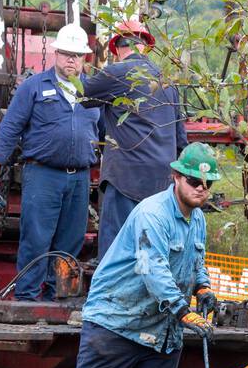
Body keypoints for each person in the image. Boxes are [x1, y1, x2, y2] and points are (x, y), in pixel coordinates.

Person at [60, 143, 223, 368]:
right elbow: (152, 269)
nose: (201, 188)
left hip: (162, 334)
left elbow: (197, 260)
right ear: (177, 177)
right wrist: (183, 312)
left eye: (207, 183)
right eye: (194, 180)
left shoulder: (198, 219)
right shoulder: (153, 214)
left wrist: (203, 287)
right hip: (118, 323)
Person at [0, 23, 100, 300]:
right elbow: (10, 127)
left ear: (85, 59)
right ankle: (27, 298)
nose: (72, 59)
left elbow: (104, 131)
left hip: (79, 178)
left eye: (77, 55)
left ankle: (59, 299)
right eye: (67, 53)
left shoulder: (93, 92)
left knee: (71, 241)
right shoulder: (33, 87)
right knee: (37, 239)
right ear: (55, 53)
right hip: (43, 175)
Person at [78, 19, 188, 259]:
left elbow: (78, 94)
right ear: (145, 46)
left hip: (125, 178)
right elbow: (180, 139)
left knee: (118, 248)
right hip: (162, 181)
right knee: (152, 249)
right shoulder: (167, 81)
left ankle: (112, 295)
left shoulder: (116, 73)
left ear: (117, 48)